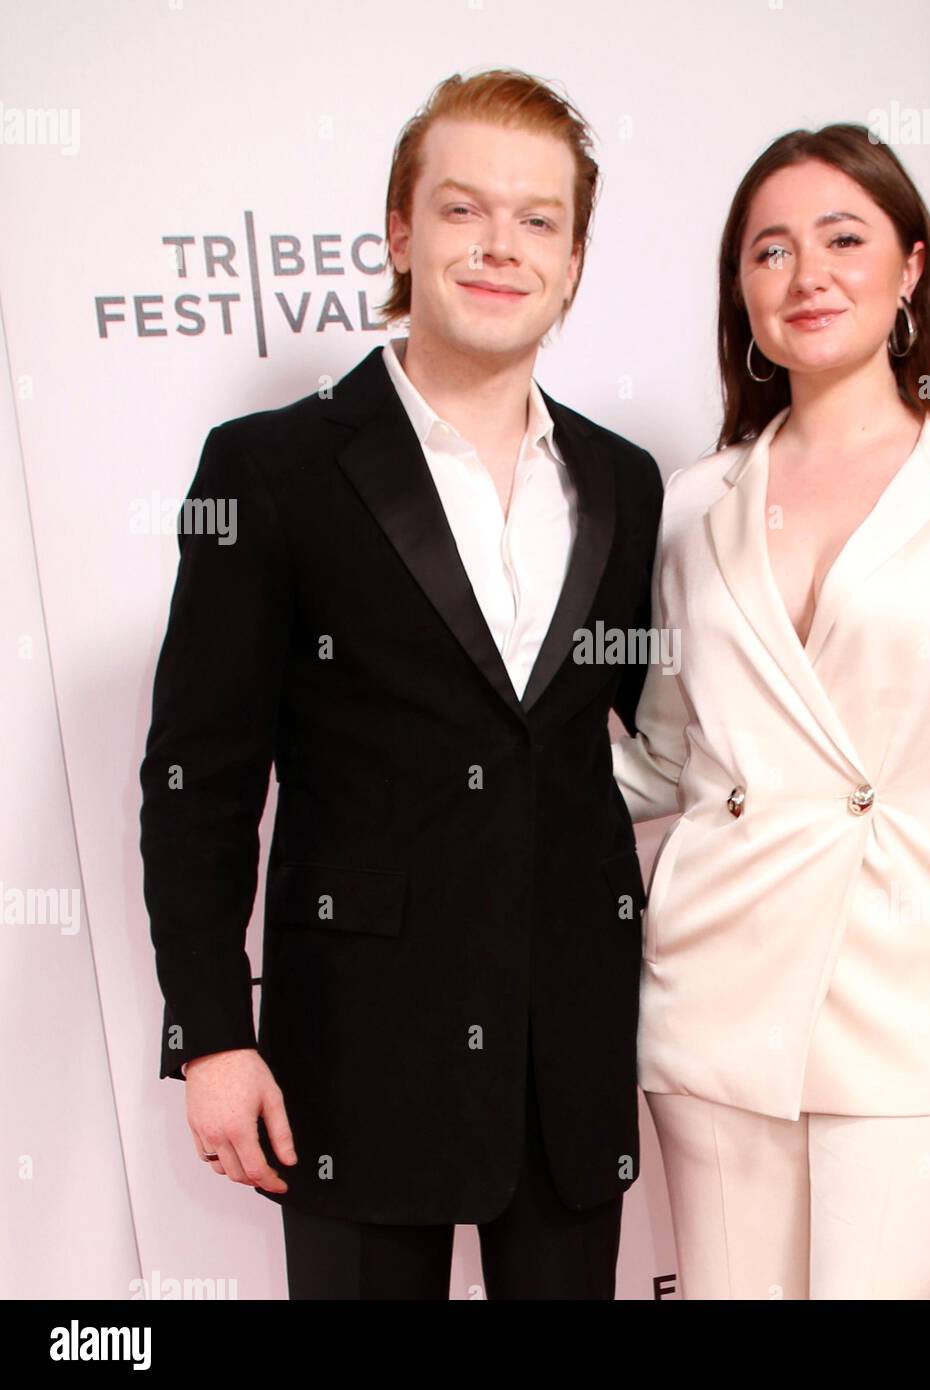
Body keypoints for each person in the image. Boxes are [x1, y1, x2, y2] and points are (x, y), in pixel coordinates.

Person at [139, 68, 662, 1300]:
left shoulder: (627, 483)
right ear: (399, 233)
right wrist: (212, 1033)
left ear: (575, 261)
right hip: (355, 1055)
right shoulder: (269, 469)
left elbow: (631, 752)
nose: (500, 246)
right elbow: (195, 779)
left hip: (570, 1067)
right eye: (463, 209)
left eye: (539, 220)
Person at [612, 123, 930, 1300]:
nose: (808, 274)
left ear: (912, 271)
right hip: (714, 986)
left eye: (845, 238)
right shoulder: (695, 500)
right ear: (742, 291)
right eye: (769, 251)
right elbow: (666, 761)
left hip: (912, 984)